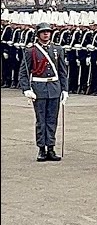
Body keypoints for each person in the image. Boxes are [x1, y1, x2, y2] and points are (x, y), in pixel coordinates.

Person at [19, 22, 69, 162]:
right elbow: (24, 72)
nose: (46, 34)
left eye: (48, 32)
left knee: (52, 120)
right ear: (38, 34)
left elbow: (62, 72)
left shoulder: (57, 49)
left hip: (54, 87)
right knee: (41, 120)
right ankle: (42, 148)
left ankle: (51, 147)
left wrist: (64, 90)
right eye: (43, 32)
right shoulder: (31, 50)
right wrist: (27, 89)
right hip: (39, 88)